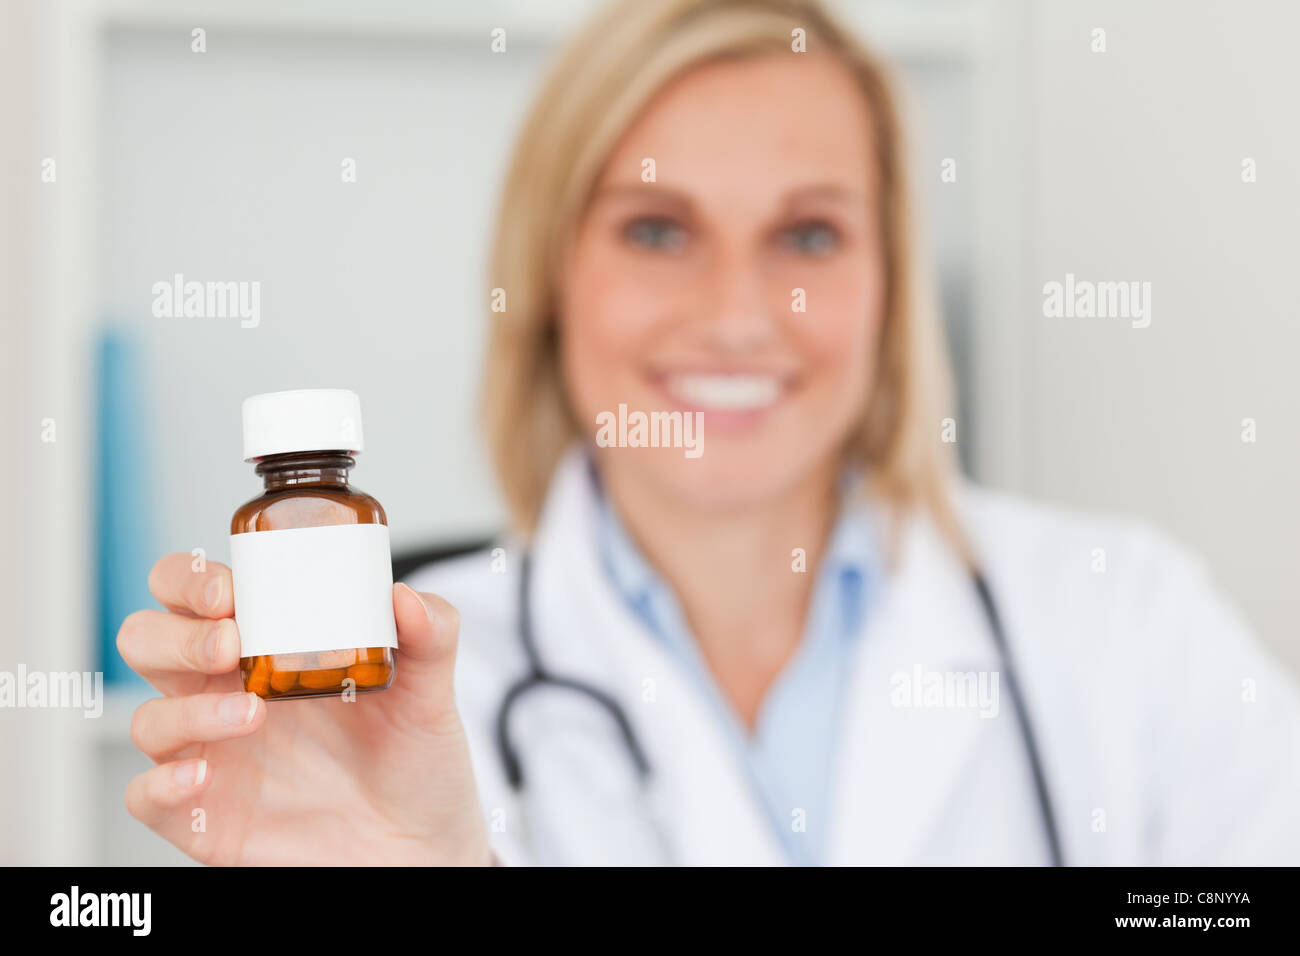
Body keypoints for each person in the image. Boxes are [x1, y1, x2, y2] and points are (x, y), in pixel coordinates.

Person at [118, 0, 1300, 865]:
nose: (739, 315)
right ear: (548, 274)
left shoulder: (1125, 622)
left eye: (809, 235)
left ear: (889, 282)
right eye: (657, 229)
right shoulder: (390, 703)